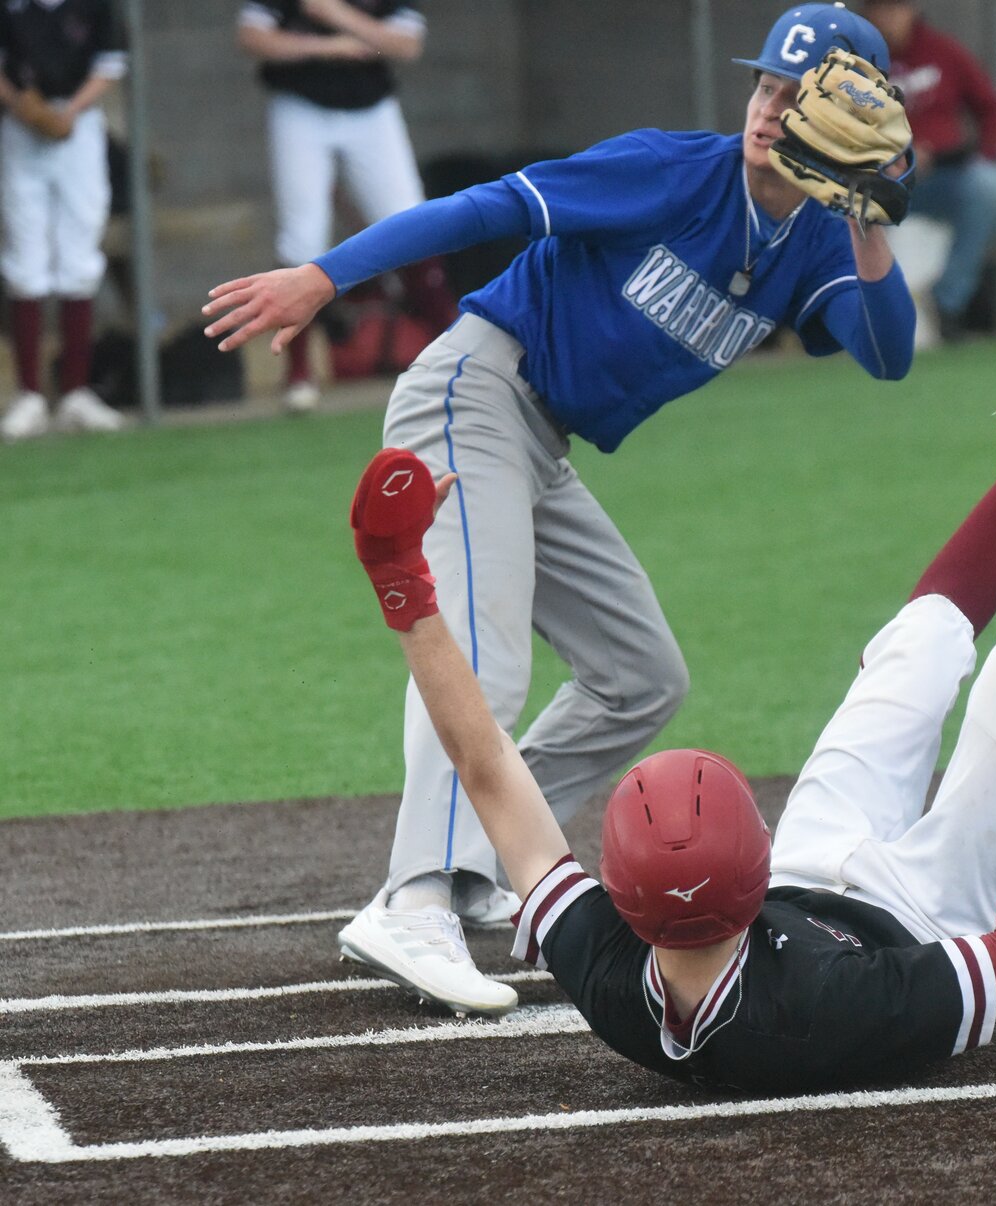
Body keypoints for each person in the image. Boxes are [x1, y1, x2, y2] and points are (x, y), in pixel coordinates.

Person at [205, 3, 918, 1017]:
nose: (769, 109)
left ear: (850, 125)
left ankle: (486, 844)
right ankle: (414, 899)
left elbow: (887, 353)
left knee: (641, 677)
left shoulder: (810, 243)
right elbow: (486, 209)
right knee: (485, 656)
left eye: (798, 97)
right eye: (764, 85)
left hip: (541, 444)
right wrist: (325, 275)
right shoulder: (674, 170)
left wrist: (869, 217)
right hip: (474, 390)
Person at [342, 307, 996, 1090]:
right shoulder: (826, 1007)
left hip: (814, 872)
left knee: (916, 644)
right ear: (755, 861)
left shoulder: (614, 973)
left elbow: (489, 766)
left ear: (628, 904)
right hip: (925, 910)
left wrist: (403, 585)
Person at [236, 0, 456, 413]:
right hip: (299, 104)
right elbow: (252, 37)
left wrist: (334, 15)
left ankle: (455, 348)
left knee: (413, 223)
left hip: (371, 107)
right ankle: (298, 373)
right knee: (302, 236)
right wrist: (327, 47)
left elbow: (406, 45)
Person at [0, 0, 127, 443]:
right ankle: (30, 394)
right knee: (25, 256)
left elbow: (111, 65)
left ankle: (76, 391)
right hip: (21, 124)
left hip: (79, 125)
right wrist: (20, 104)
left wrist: (69, 112)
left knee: (79, 250)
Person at [859, 0, 996, 342]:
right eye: (880, 9)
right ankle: (848, 310)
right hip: (876, 183)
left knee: (990, 184)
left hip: (938, 178)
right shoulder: (854, 64)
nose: (889, 17)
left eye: (896, 7)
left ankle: (949, 302)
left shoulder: (943, 51)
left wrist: (981, 155)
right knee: (826, 200)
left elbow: (992, 109)